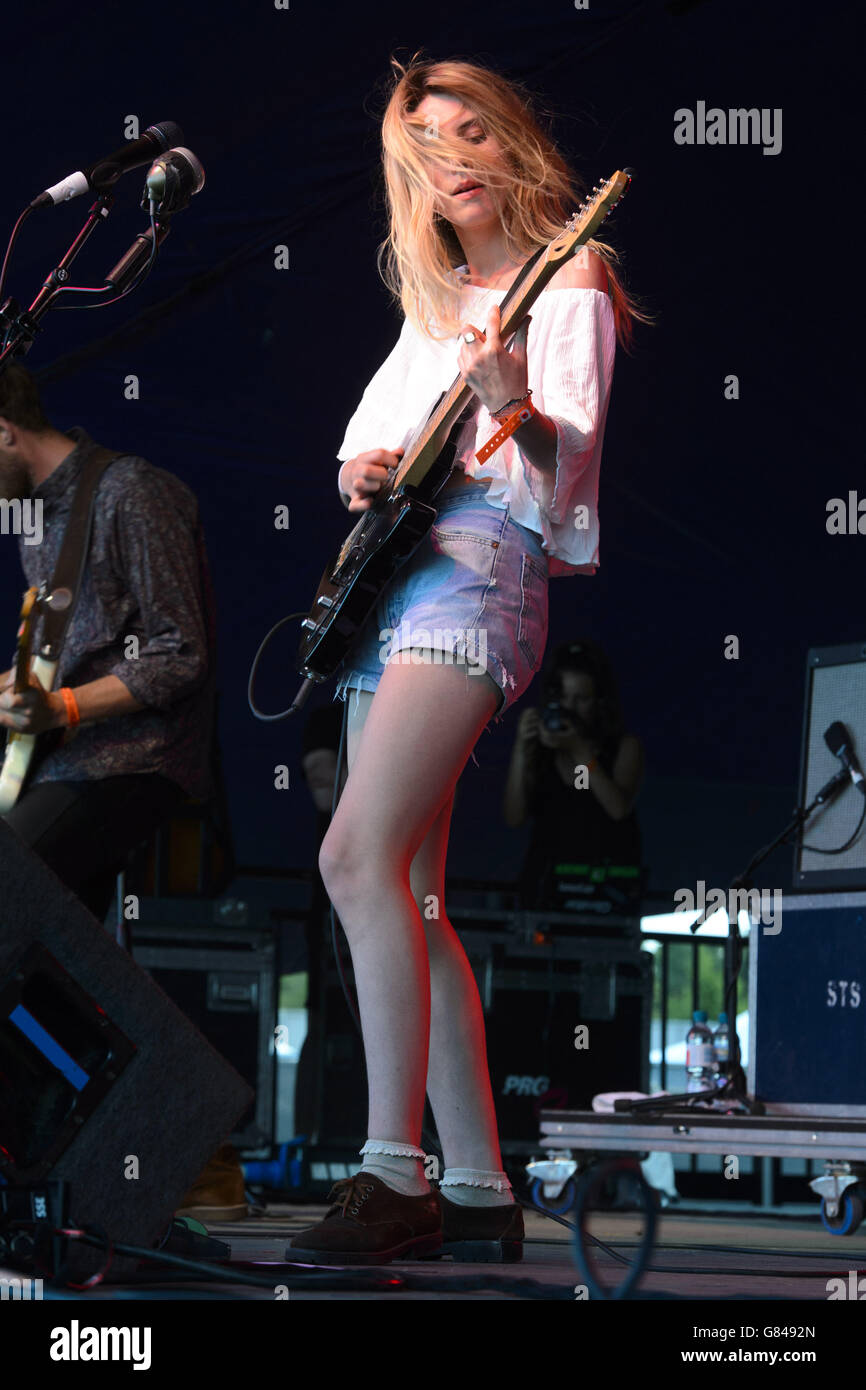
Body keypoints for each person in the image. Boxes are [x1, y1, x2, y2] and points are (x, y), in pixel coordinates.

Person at [287, 55, 647, 1266]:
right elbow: (375, 432)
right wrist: (362, 470)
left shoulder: (571, 278)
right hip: (396, 576)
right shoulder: (437, 301)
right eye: (426, 145)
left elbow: (564, 489)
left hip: (483, 569)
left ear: (512, 144)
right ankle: (482, 1185)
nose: (451, 159)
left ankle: (394, 1172)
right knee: (418, 894)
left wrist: (514, 405)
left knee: (352, 853)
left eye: (470, 131)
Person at [0, 363, 246, 1224]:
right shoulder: (37, 518)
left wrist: (58, 703)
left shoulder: (133, 492)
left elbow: (179, 655)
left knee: (12, 915)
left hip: (133, 761)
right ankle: (188, 1151)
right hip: (68, 761)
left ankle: (187, 1144)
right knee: (66, 973)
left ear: (4, 431)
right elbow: (63, 658)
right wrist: (21, 693)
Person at [504, 638, 644, 910]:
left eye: (581, 699)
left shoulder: (625, 747)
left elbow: (617, 808)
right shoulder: (542, 750)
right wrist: (522, 748)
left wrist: (579, 750)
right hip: (544, 888)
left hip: (606, 892)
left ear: (600, 702)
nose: (570, 707)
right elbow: (513, 817)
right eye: (564, 698)